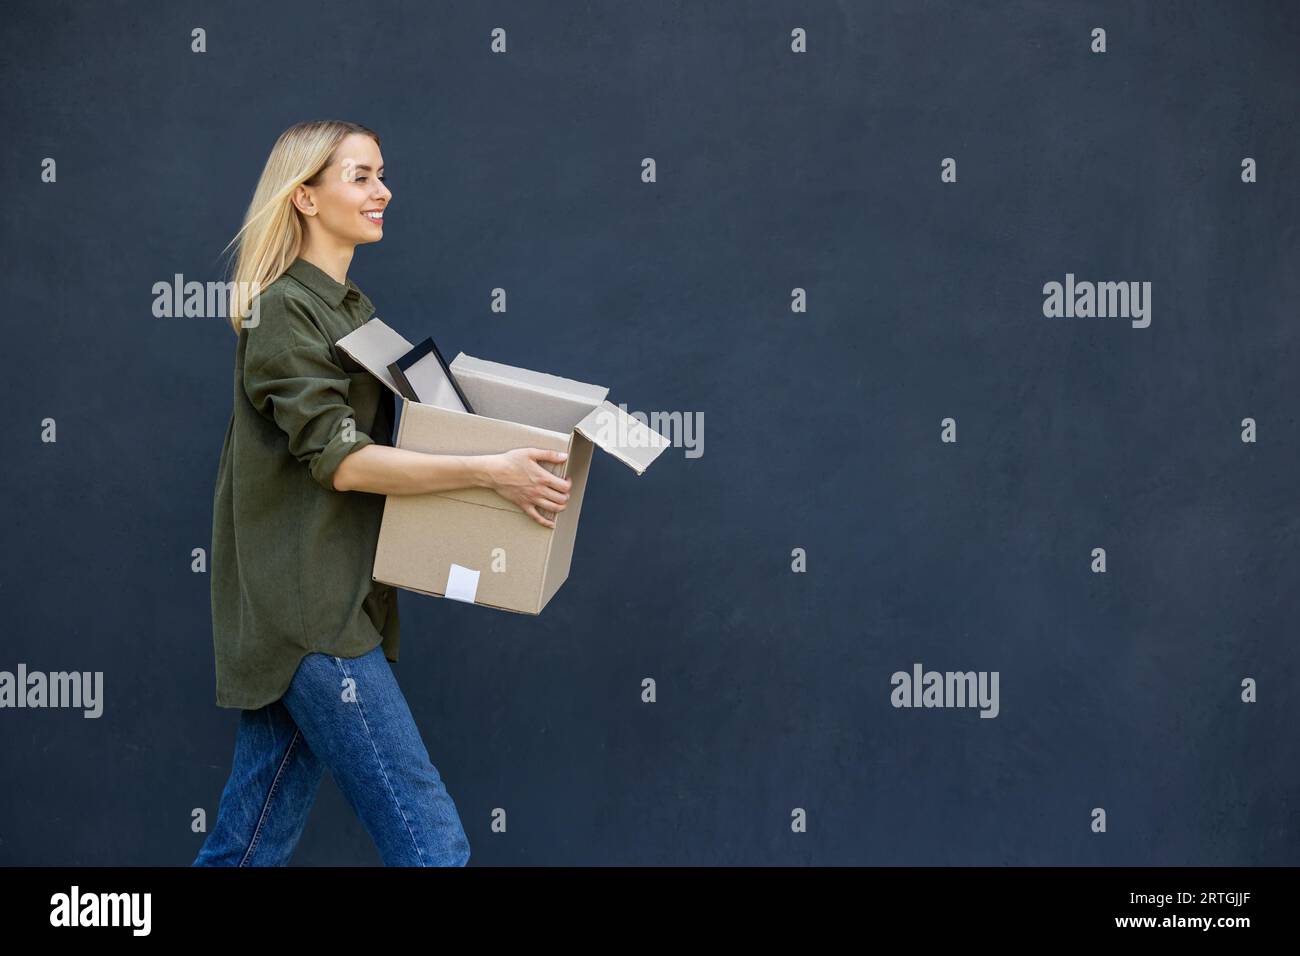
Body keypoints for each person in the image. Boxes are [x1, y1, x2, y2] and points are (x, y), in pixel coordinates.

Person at [193, 120, 572, 866]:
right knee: (432, 844)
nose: (382, 191)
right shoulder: (283, 313)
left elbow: (430, 420)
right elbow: (344, 462)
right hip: (313, 617)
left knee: (250, 844)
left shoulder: (350, 310)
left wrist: (501, 434)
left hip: (326, 605)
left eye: (381, 174)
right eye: (361, 176)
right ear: (305, 197)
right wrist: (491, 470)